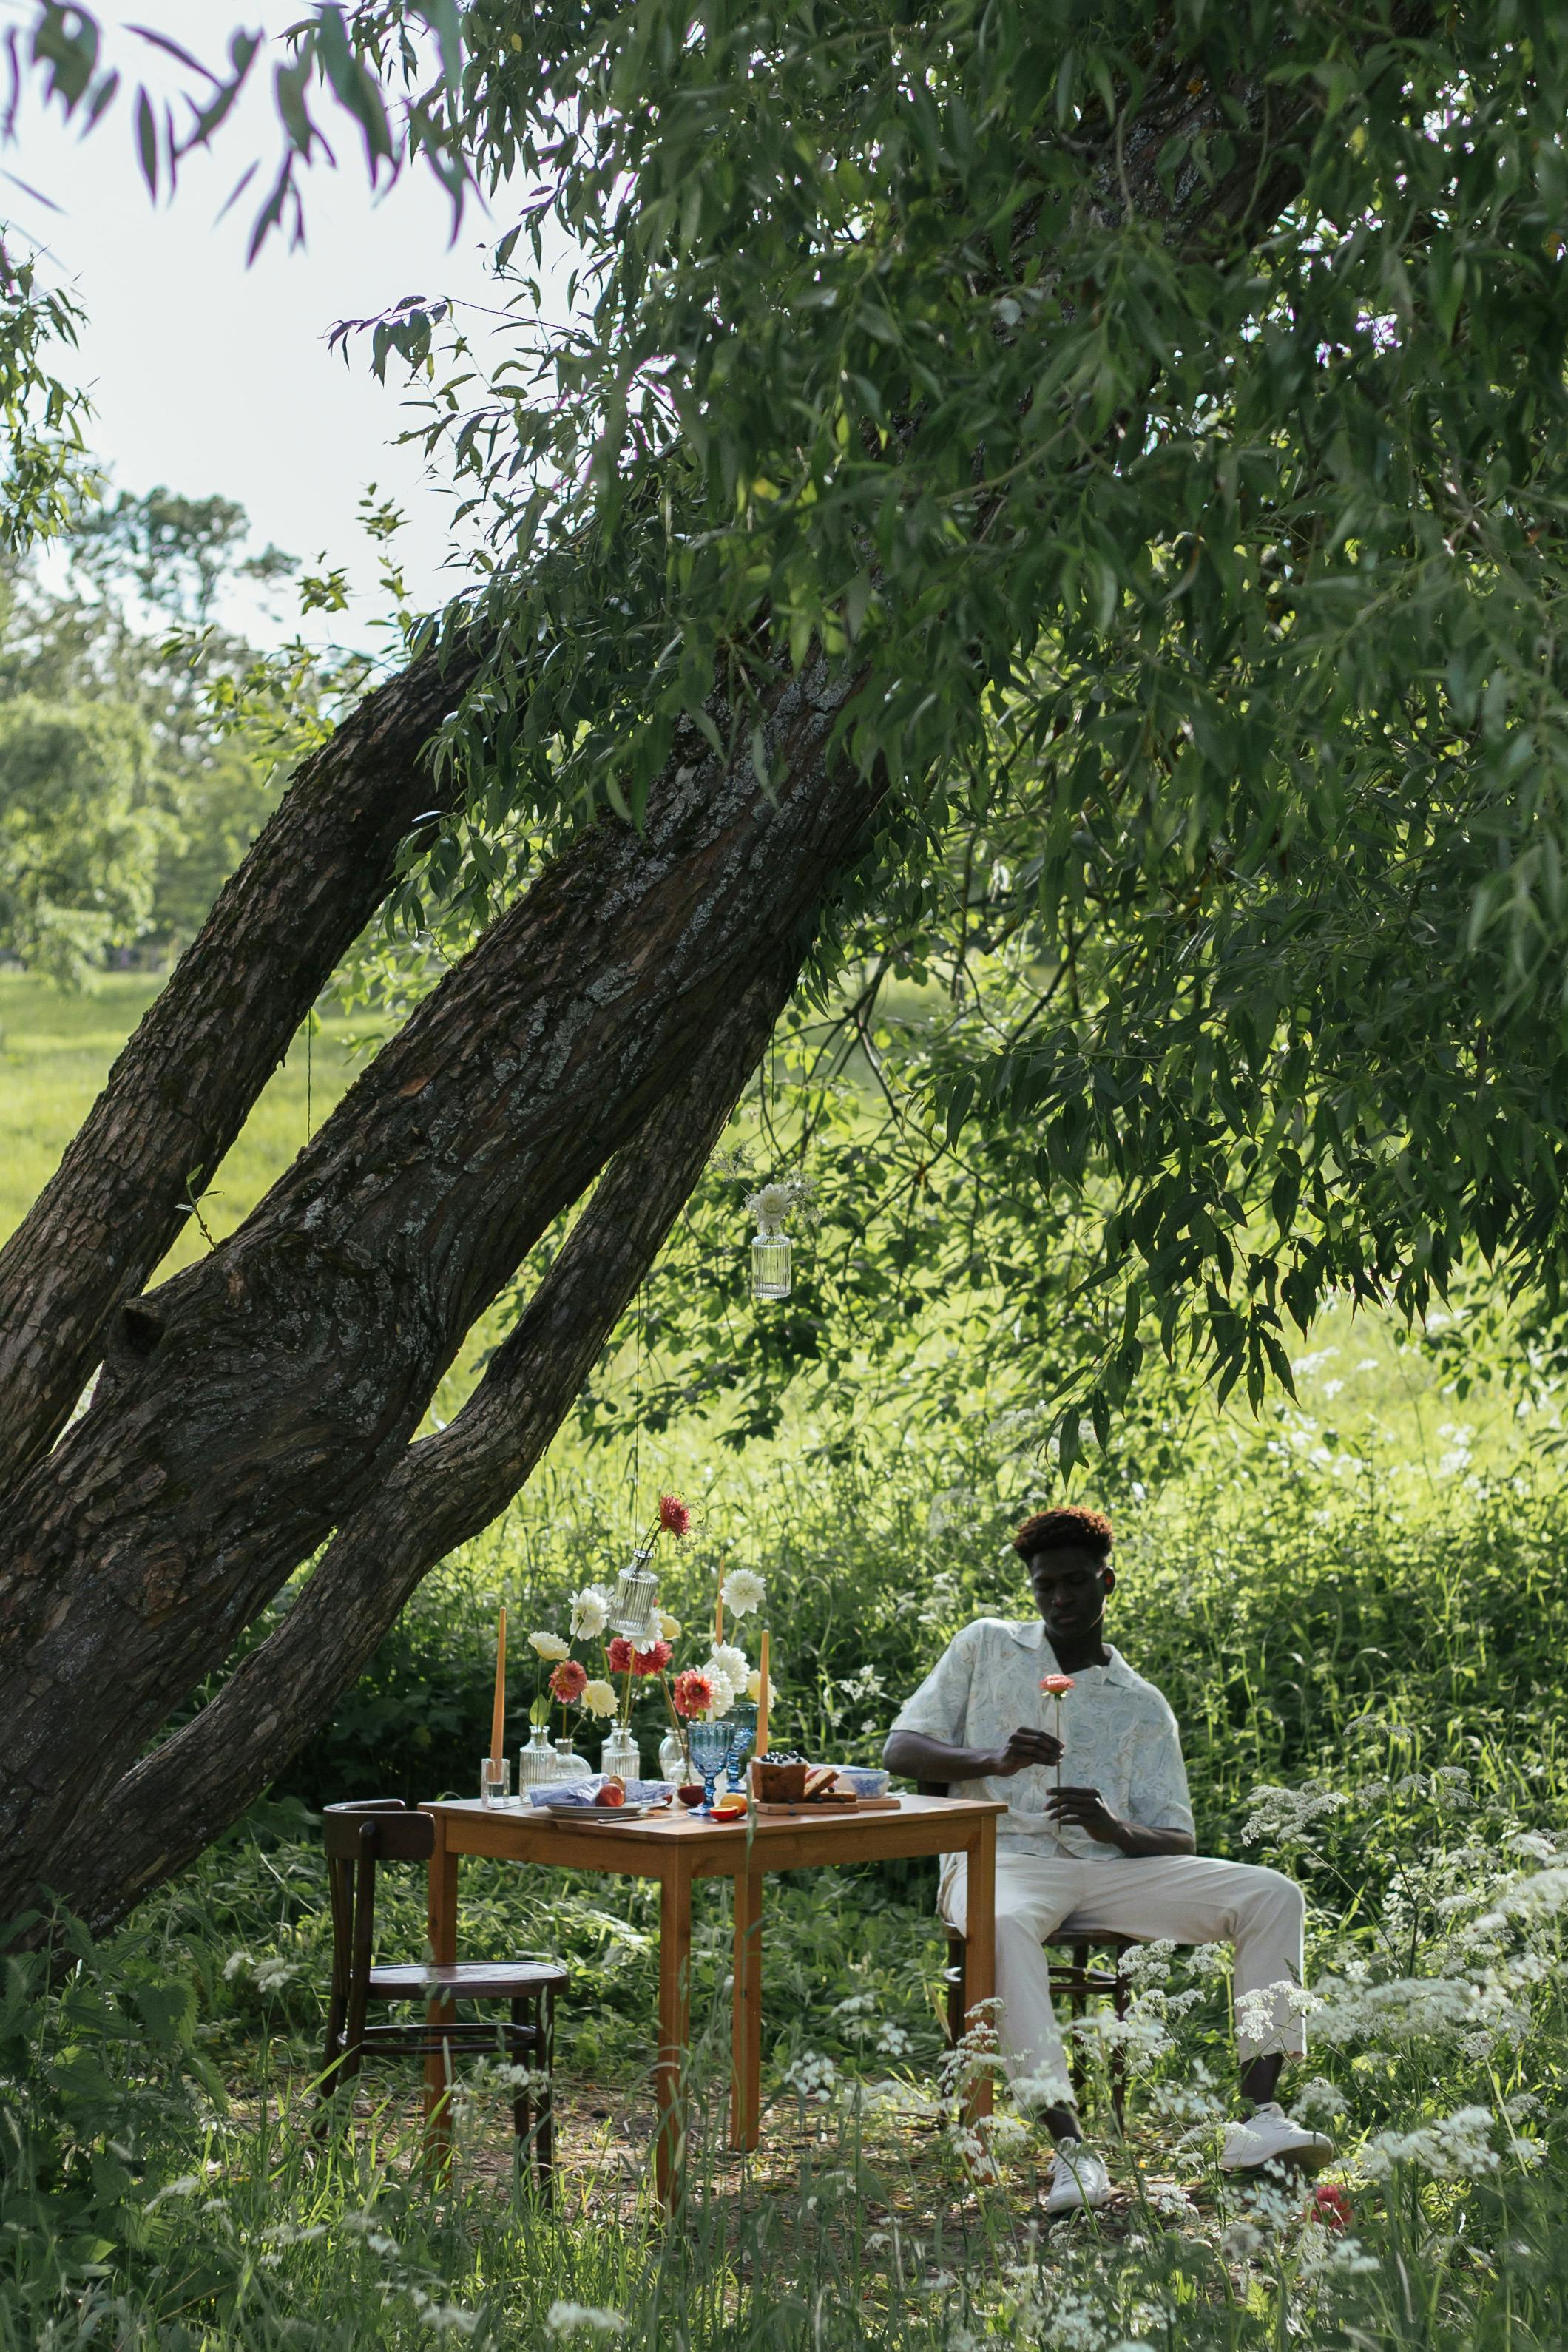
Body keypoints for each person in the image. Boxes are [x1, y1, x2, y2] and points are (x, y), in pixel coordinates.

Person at [882, 1503, 1332, 2214]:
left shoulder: (1141, 1703)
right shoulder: (987, 1645)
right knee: (1003, 1928)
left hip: (1113, 1871)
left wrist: (1115, 1826)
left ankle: (1256, 2118)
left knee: (1273, 1894)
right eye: (1045, 1587)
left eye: (1075, 1583)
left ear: (1106, 1582)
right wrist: (990, 1758)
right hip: (1001, 1859)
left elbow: (1176, 1837)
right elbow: (900, 1749)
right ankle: (1072, 2153)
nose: (1059, 1598)